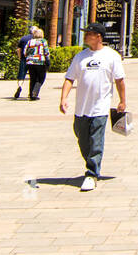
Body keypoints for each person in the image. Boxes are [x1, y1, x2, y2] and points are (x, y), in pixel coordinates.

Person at [59, 24, 126, 192]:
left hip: (100, 107)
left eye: (89, 34)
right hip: (81, 108)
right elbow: (69, 78)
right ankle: (91, 162)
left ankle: (91, 173)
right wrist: (63, 98)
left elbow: (119, 80)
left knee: (96, 140)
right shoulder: (80, 57)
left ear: (98, 36)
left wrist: (122, 101)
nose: (85, 36)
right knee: (82, 139)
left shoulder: (112, 56)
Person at [22, 26, 50, 100]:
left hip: (30, 62)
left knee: (32, 78)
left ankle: (31, 94)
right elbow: (46, 52)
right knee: (41, 78)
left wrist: (28, 58)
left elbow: (25, 52)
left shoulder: (30, 41)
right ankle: (35, 92)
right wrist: (48, 61)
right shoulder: (43, 41)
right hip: (40, 62)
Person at [13, 25, 37, 99]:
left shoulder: (23, 38)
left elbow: (18, 49)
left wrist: (20, 57)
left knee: (21, 75)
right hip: (32, 60)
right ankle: (31, 93)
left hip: (23, 59)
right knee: (33, 77)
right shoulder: (35, 39)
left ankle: (19, 86)